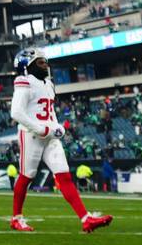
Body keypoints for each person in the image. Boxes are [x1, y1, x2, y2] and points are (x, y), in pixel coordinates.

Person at [8, 51, 112, 233]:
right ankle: (17, 218)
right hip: (30, 134)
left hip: (49, 135)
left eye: (45, 62)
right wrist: (40, 128)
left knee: (64, 176)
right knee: (26, 176)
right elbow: (16, 112)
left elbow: (49, 110)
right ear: (28, 65)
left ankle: (86, 219)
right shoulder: (24, 82)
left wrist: (57, 126)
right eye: (40, 62)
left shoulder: (49, 84)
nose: (45, 65)